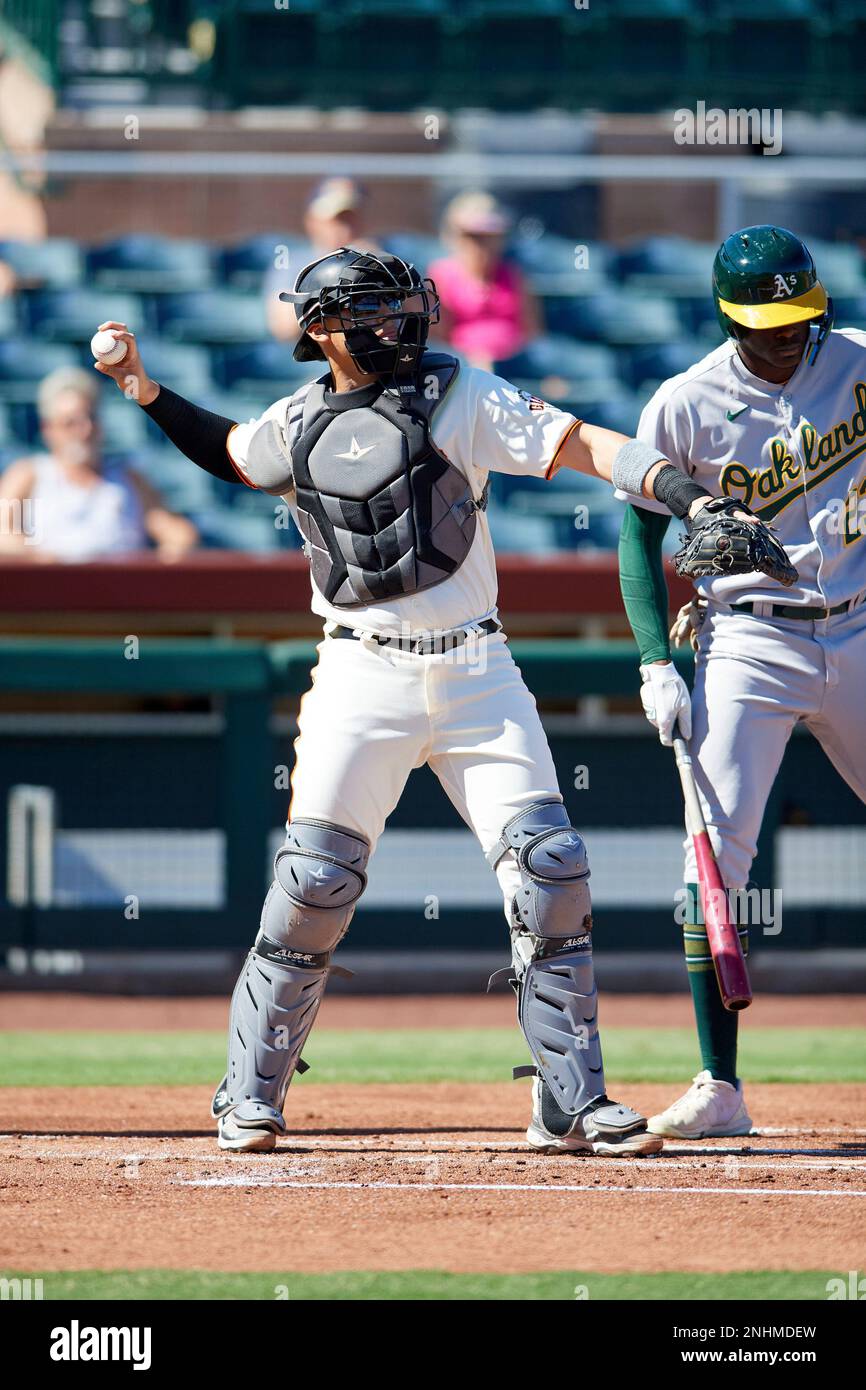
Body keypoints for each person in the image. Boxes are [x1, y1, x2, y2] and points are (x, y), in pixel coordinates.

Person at [92, 245, 738, 1160]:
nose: (399, 326)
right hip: (361, 674)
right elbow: (232, 457)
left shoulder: (458, 392)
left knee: (552, 872)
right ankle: (248, 1095)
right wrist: (145, 389)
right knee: (313, 883)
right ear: (322, 331)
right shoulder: (295, 420)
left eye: (402, 308)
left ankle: (571, 1101)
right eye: (374, 313)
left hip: (479, 669)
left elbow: (583, 444)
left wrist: (684, 494)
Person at [616, 225, 866, 1138]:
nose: (789, 336)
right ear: (728, 318)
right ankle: (719, 1088)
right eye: (768, 324)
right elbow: (640, 541)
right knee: (714, 859)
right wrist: (653, 659)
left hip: (864, 621)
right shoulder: (684, 404)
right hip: (750, 640)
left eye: (801, 318)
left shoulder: (856, 362)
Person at [0, 366, 197, 561]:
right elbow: (4, 535)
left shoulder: (129, 478)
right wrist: (43, 560)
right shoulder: (28, 475)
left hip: (120, 588)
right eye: (70, 422)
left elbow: (174, 532)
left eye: (91, 418)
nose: (85, 430)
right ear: (48, 429)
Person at [428, 191, 540, 369]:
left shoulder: (513, 274)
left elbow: (533, 333)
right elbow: (438, 338)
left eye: (490, 236)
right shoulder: (441, 275)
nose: (483, 245)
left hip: (517, 365)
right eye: (474, 236)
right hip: (461, 366)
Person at [266, 177, 377, 343]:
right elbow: (283, 328)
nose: (345, 228)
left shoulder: (380, 259)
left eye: (351, 219)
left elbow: (417, 318)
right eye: (337, 220)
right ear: (313, 222)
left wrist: (375, 265)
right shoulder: (291, 262)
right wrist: (335, 277)